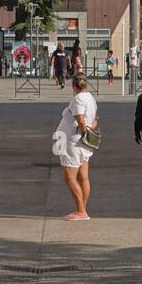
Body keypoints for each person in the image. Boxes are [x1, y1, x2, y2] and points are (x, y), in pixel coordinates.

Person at [52, 74, 97, 220]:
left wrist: (84, 133)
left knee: (69, 177)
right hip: (83, 143)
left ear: (74, 85)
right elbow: (95, 120)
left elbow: (81, 121)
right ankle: (82, 208)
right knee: (83, 177)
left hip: (73, 142)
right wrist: (89, 134)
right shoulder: (90, 98)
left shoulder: (78, 99)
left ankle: (81, 211)